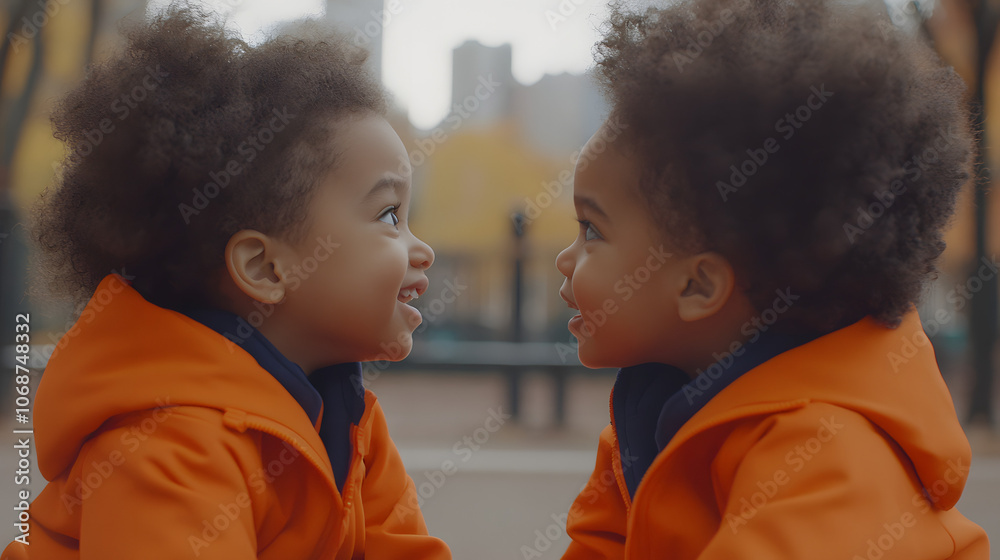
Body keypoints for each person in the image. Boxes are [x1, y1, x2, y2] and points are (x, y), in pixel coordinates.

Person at [2, 3, 450, 558]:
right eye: (388, 216)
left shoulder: (348, 421)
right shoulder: (167, 448)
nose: (421, 248)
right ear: (264, 268)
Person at [554, 0, 990, 558]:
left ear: (699, 287)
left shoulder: (828, 456)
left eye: (592, 231)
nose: (566, 260)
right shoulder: (658, 408)